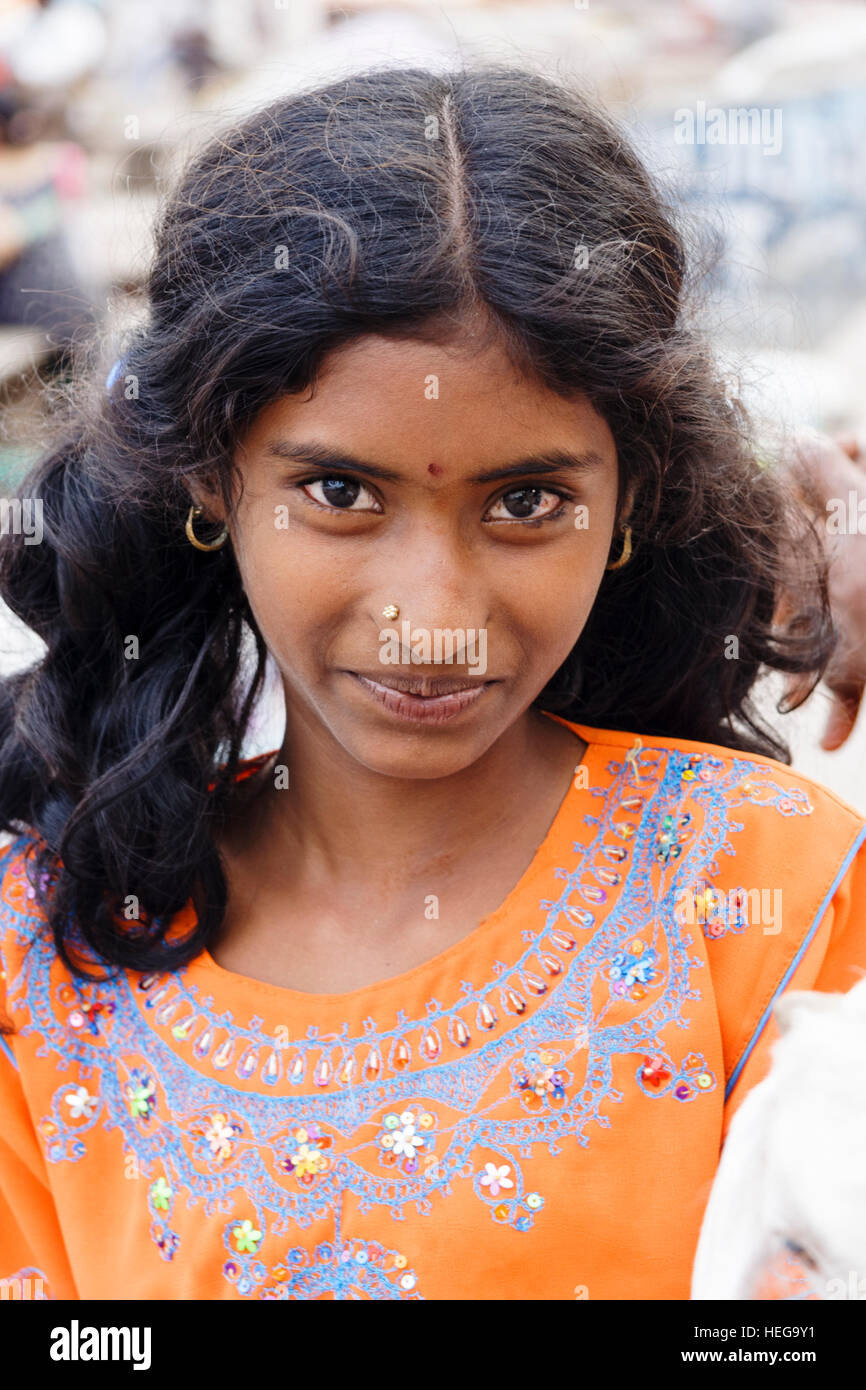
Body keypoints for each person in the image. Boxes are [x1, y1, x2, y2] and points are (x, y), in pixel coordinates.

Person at [0, 62, 864, 1303]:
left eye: (528, 501)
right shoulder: (48, 951)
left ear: (624, 505)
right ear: (209, 479)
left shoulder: (771, 898)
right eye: (340, 493)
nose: (432, 618)